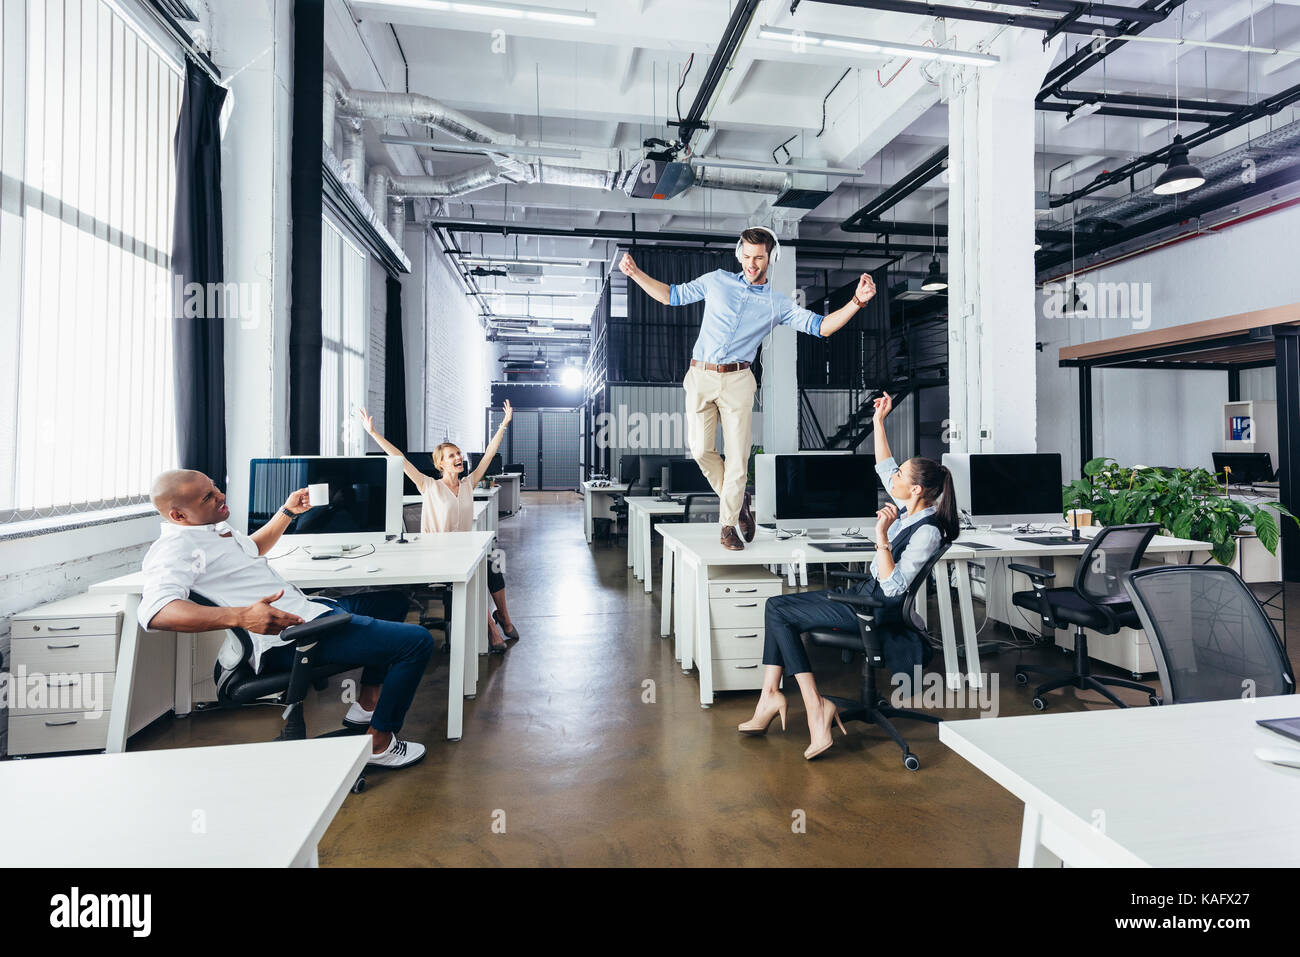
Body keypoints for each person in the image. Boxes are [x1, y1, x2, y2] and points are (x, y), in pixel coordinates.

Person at [139, 469, 433, 769]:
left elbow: (253, 548)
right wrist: (241, 616)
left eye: (215, 487)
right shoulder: (174, 549)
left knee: (390, 601)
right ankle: (379, 744)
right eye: (208, 497)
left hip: (308, 612)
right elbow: (158, 610)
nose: (221, 496)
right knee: (417, 642)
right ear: (178, 515)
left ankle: (368, 705)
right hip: (291, 638)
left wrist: (287, 512)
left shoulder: (209, 529)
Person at [619, 226, 877, 551]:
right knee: (700, 451)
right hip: (700, 376)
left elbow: (820, 327)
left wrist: (857, 301)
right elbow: (671, 295)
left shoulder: (777, 304)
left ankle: (727, 525)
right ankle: (738, 500)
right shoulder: (716, 281)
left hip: (738, 382)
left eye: (759, 257)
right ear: (738, 253)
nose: (751, 263)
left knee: (738, 461)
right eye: (747, 255)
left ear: (771, 258)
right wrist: (636, 273)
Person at [740, 392, 959, 760]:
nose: (894, 479)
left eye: (902, 476)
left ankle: (812, 706)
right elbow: (885, 465)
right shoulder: (911, 508)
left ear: (917, 490)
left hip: (875, 605)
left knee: (778, 610)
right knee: (778, 608)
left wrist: (881, 538)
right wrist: (878, 421)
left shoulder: (926, 531)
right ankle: (770, 697)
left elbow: (893, 587)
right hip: (866, 593)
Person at [359, 402, 519, 654]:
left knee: (492, 567)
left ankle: (504, 618)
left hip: (465, 552)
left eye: (458, 454)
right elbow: (398, 458)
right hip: (437, 556)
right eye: (451, 456)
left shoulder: (469, 483)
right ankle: (492, 627)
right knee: (478, 573)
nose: (458, 458)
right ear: (440, 464)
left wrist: (503, 424)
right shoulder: (428, 486)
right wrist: (373, 433)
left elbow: (489, 454)